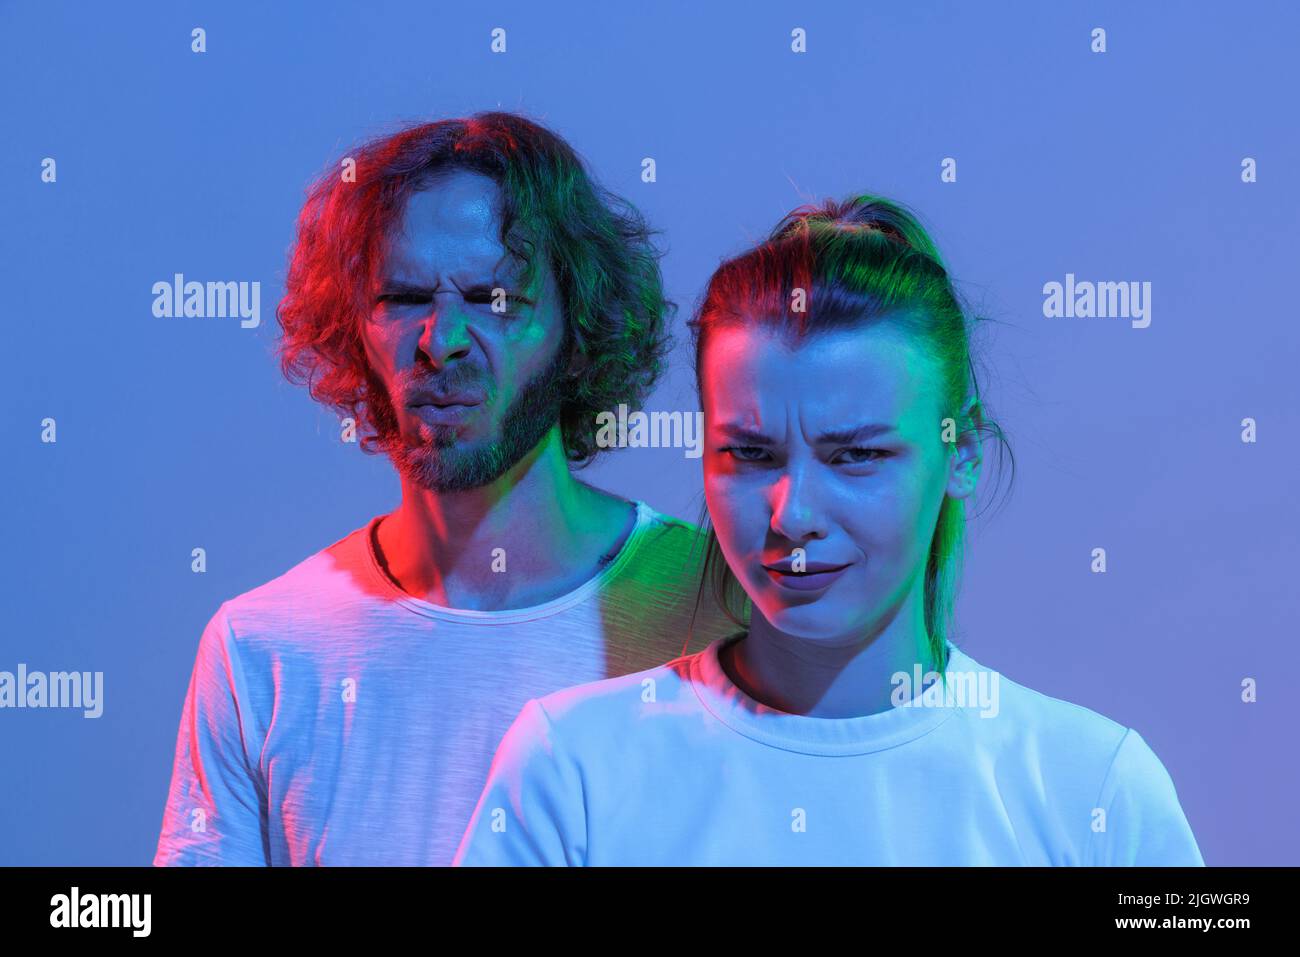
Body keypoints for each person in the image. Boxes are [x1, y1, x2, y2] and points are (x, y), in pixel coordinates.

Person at [453, 194, 1205, 866]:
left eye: (856, 456)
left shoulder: (1092, 786)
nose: (792, 514)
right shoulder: (573, 772)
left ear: (961, 451)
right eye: (750, 454)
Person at [152, 112, 737, 866]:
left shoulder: (718, 608)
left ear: (579, 328)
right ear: (354, 326)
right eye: (404, 298)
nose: (442, 339)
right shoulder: (261, 649)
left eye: (493, 300)